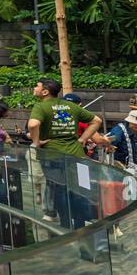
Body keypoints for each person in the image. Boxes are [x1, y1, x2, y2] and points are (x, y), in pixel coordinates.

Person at [26, 78, 102, 228]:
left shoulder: (41, 106)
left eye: (37, 86)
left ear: (45, 92)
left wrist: (36, 142)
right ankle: (79, 223)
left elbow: (33, 124)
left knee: (59, 190)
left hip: (53, 155)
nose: (34, 88)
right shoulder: (70, 106)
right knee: (78, 191)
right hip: (77, 154)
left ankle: (66, 224)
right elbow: (97, 120)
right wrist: (82, 139)